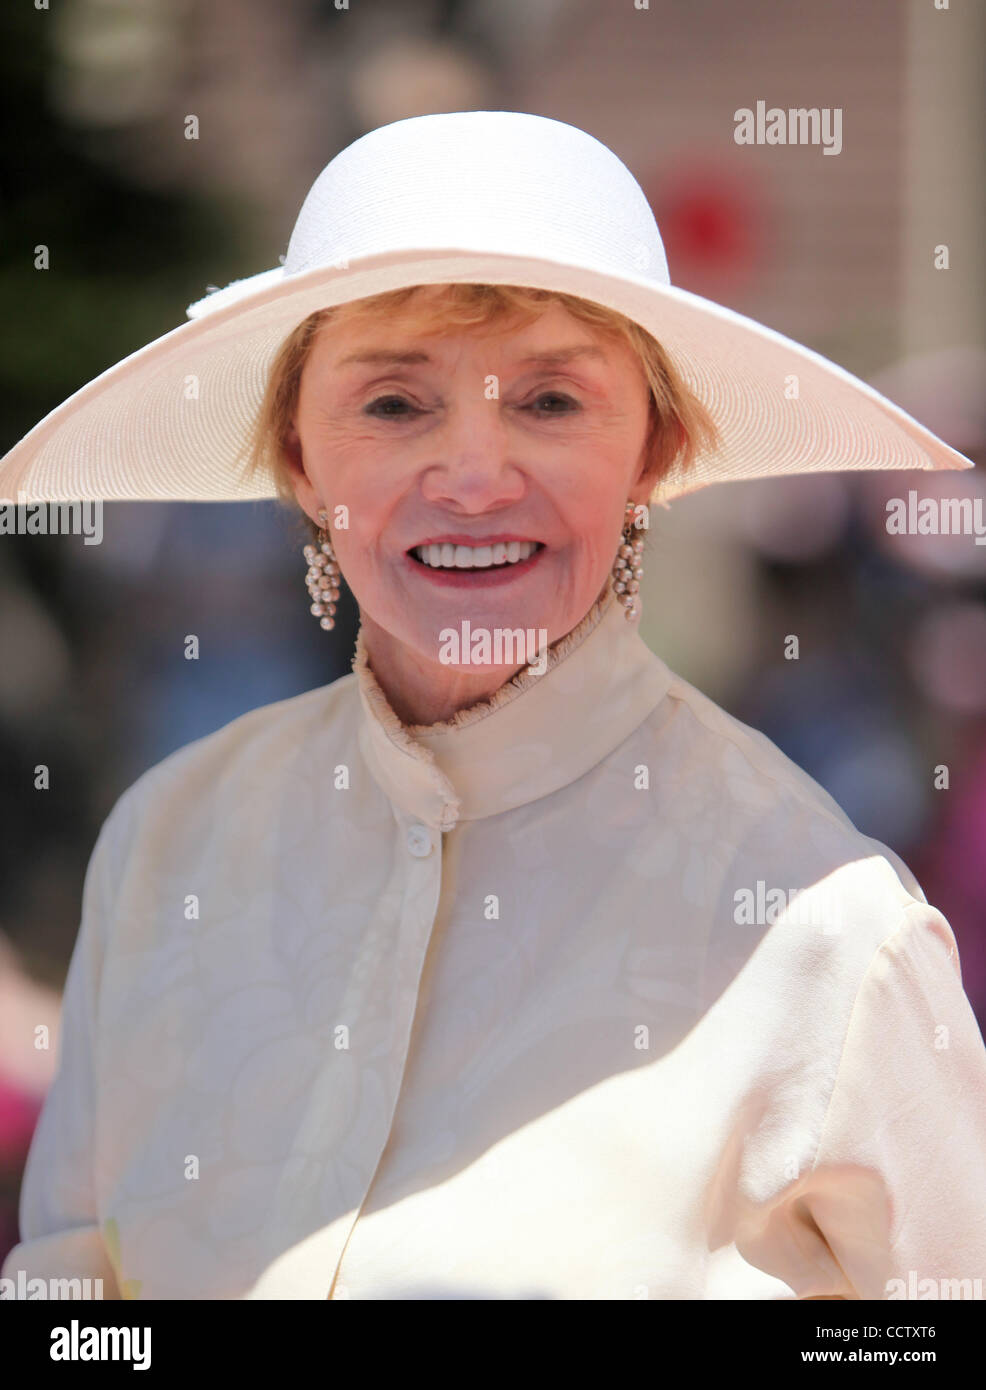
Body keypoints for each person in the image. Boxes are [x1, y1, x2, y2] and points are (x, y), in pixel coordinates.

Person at [2, 110, 984, 1301]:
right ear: (301, 461)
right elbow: (65, 1301)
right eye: (394, 404)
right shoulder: (165, 845)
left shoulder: (829, 936)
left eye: (550, 402)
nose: (472, 475)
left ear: (654, 453)